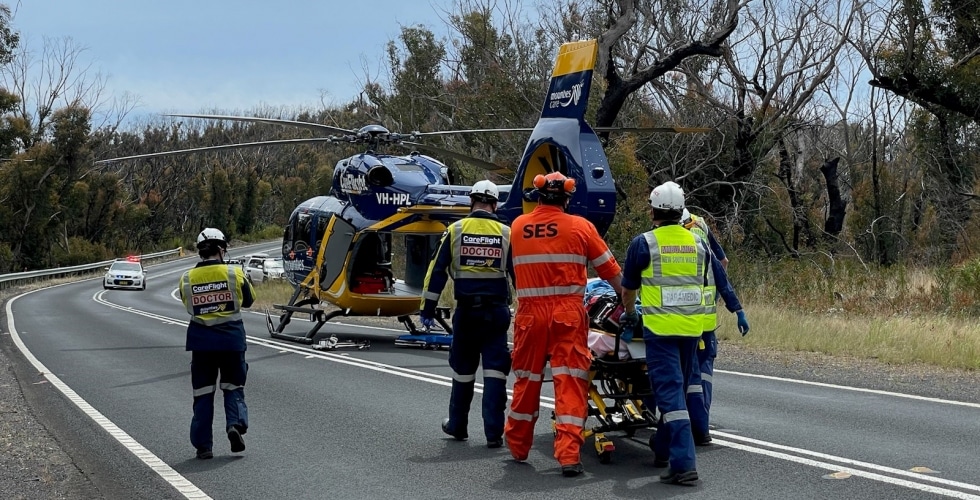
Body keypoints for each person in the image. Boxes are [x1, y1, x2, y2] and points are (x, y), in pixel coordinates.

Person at [505, 171, 625, 478]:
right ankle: (569, 456)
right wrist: (629, 301)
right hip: (567, 317)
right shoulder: (581, 228)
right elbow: (612, 274)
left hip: (530, 317)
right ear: (568, 198)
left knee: (527, 380)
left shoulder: (518, 227)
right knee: (570, 382)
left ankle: (518, 446)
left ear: (539, 196)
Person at [618, 182, 707, 485]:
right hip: (693, 329)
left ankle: (683, 464)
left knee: (670, 397)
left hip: (660, 330)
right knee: (678, 395)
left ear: (653, 210)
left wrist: (630, 316)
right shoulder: (699, 243)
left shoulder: (644, 243)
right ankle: (662, 448)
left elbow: (628, 288)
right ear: (681, 210)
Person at [419, 180, 514, 449]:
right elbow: (518, 275)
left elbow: (436, 272)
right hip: (497, 313)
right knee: (495, 372)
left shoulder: (455, 230)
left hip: (467, 314)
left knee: (462, 372)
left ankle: (458, 426)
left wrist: (427, 309)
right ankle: (494, 434)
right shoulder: (507, 233)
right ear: (495, 204)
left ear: (471, 202)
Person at [178, 228, 256, 460]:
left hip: (201, 344)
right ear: (221, 249)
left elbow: (187, 305)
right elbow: (250, 300)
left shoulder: (186, 278)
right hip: (231, 341)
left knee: (202, 393)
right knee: (233, 387)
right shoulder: (234, 273)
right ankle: (235, 424)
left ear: (200, 252)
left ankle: (203, 446)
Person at [677, 198, 750, 445]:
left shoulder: (658, 240)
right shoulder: (701, 227)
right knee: (702, 375)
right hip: (705, 321)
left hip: (676, 323)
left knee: (682, 376)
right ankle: (702, 428)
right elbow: (723, 264)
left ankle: (684, 427)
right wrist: (732, 306)